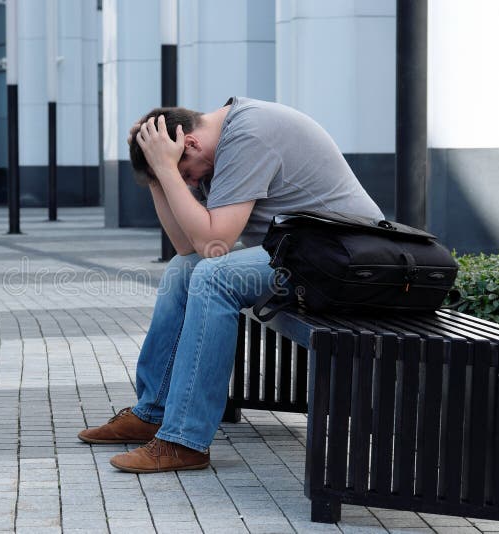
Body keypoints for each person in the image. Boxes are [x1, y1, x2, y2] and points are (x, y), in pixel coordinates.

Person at [78, 97, 384, 473]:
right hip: (303, 254)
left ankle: (184, 440)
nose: (189, 184)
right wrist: (159, 173)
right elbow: (187, 246)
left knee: (214, 275)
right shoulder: (217, 143)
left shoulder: (249, 134)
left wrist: (167, 169)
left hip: (343, 261)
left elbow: (213, 246)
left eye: (186, 174)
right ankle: (154, 411)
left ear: (189, 144)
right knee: (183, 270)